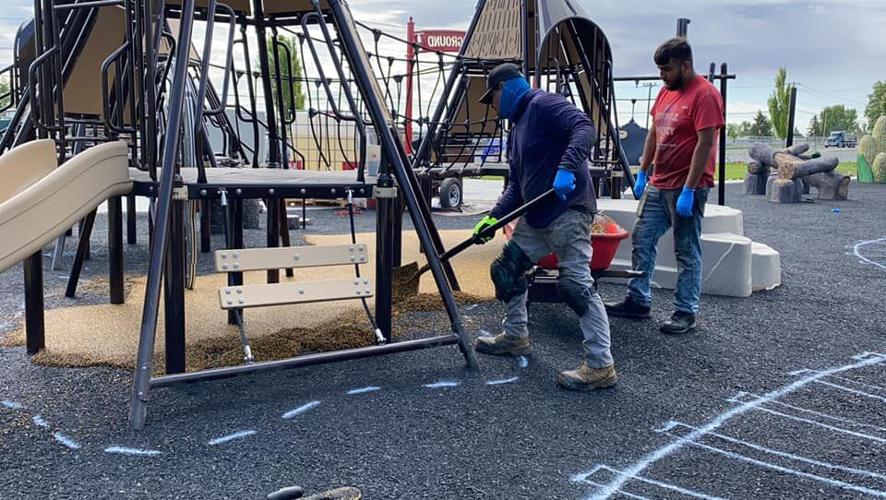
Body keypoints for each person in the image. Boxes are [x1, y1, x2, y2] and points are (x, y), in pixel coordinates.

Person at [471, 63, 616, 391]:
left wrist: (567, 167)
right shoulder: (518, 128)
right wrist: (494, 218)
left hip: (568, 211)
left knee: (575, 286)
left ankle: (600, 364)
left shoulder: (542, 104)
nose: (493, 106)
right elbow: (516, 187)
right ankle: (515, 335)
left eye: (492, 98)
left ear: (505, 88)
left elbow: (584, 127)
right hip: (536, 218)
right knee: (506, 270)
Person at [606, 38, 725, 334]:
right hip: (659, 184)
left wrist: (689, 188)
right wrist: (643, 172)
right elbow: (654, 135)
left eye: (667, 69)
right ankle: (638, 299)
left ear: (686, 66)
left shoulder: (705, 95)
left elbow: (705, 143)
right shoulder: (664, 94)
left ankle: (685, 311)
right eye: (660, 69)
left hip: (688, 187)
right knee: (641, 239)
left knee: (686, 250)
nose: (662, 75)